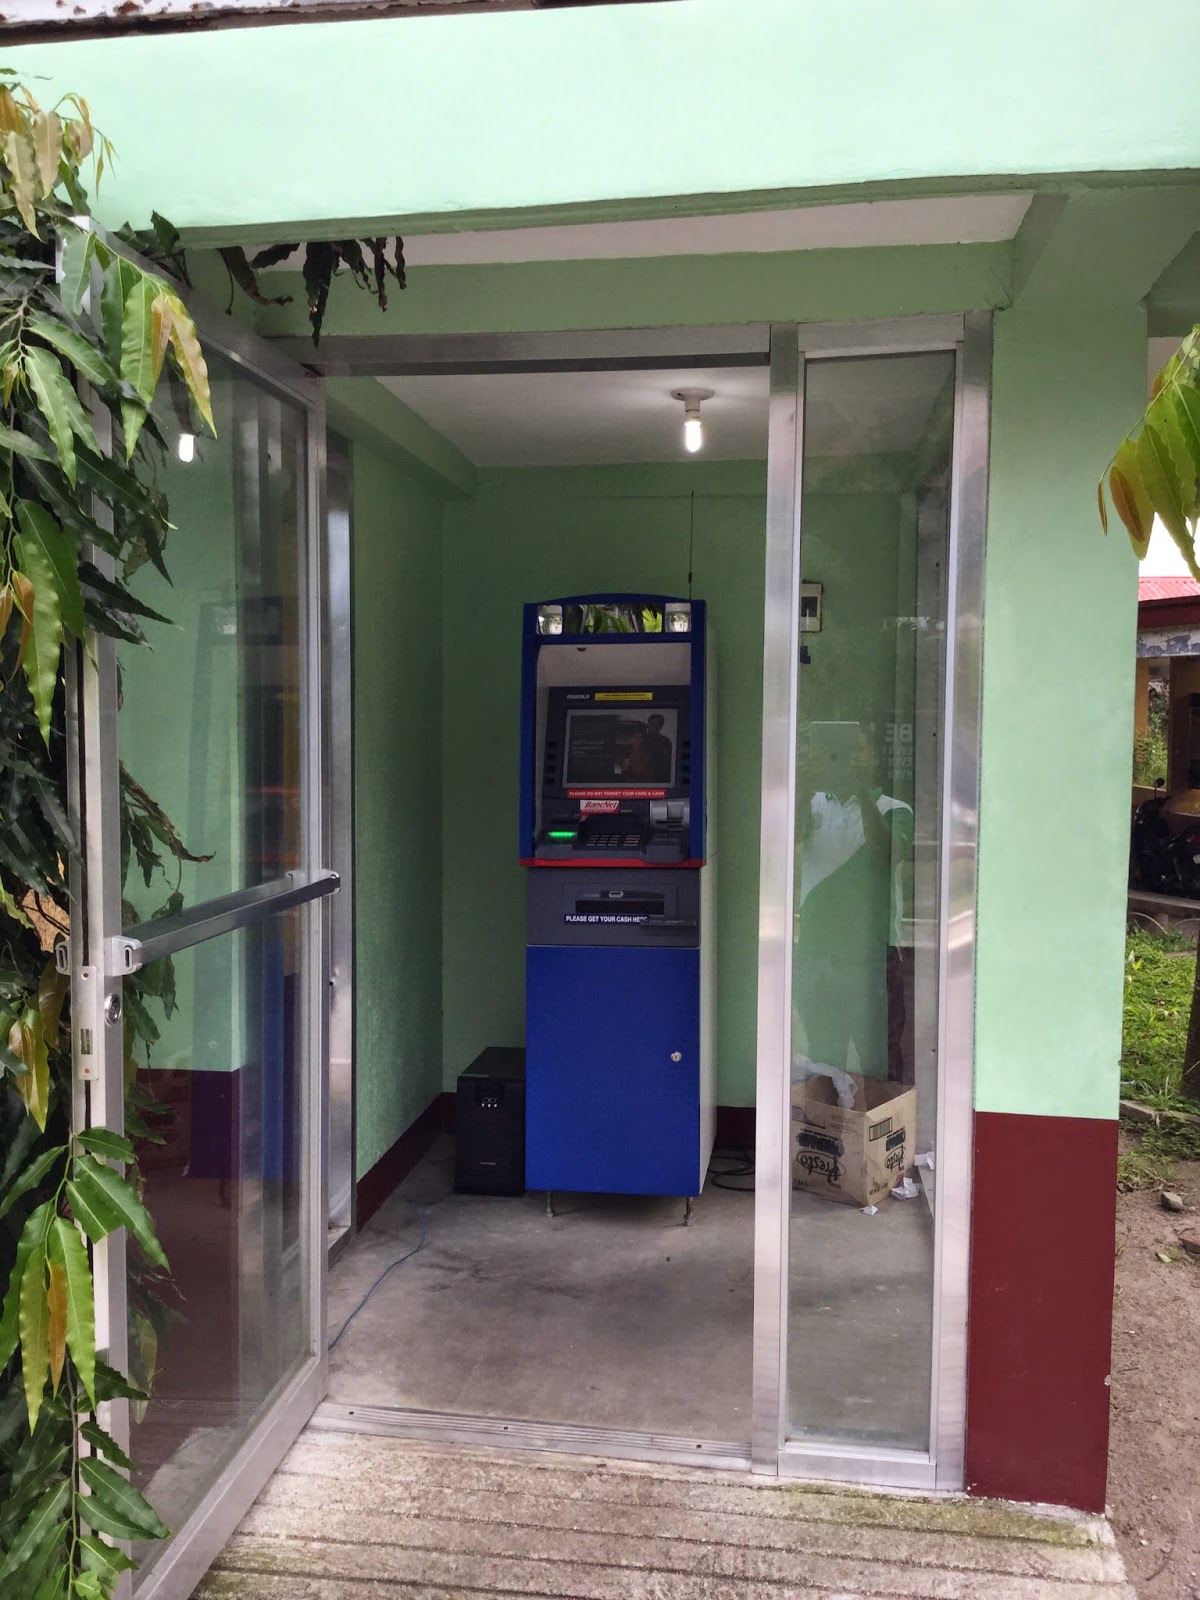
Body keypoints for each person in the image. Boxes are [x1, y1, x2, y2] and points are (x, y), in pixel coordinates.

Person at [792, 723, 913, 1083]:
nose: (844, 761)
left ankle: (883, 1132)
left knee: (879, 1056)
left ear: (874, 759)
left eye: (855, 753)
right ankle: (828, 1133)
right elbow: (783, 840)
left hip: (873, 956)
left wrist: (861, 793)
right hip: (817, 953)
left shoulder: (895, 809)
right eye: (837, 754)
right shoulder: (812, 804)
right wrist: (802, 786)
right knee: (823, 1058)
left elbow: (888, 853)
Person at [643, 712, 674, 782]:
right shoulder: (641, 740)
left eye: (658, 725)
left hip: (660, 777)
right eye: (652, 724)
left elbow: (668, 762)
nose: (654, 727)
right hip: (643, 778)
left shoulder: (666, 742)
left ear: (661, 726)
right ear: (648, 724)